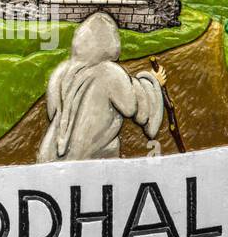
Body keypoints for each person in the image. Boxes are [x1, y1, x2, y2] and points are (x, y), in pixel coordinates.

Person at [37, 11, 167, 163]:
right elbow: (135, 107)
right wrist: (153, 82)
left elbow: (52, 113)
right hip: (92, 161)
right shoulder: (109, 71)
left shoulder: (61, 72)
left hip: (50, 157)